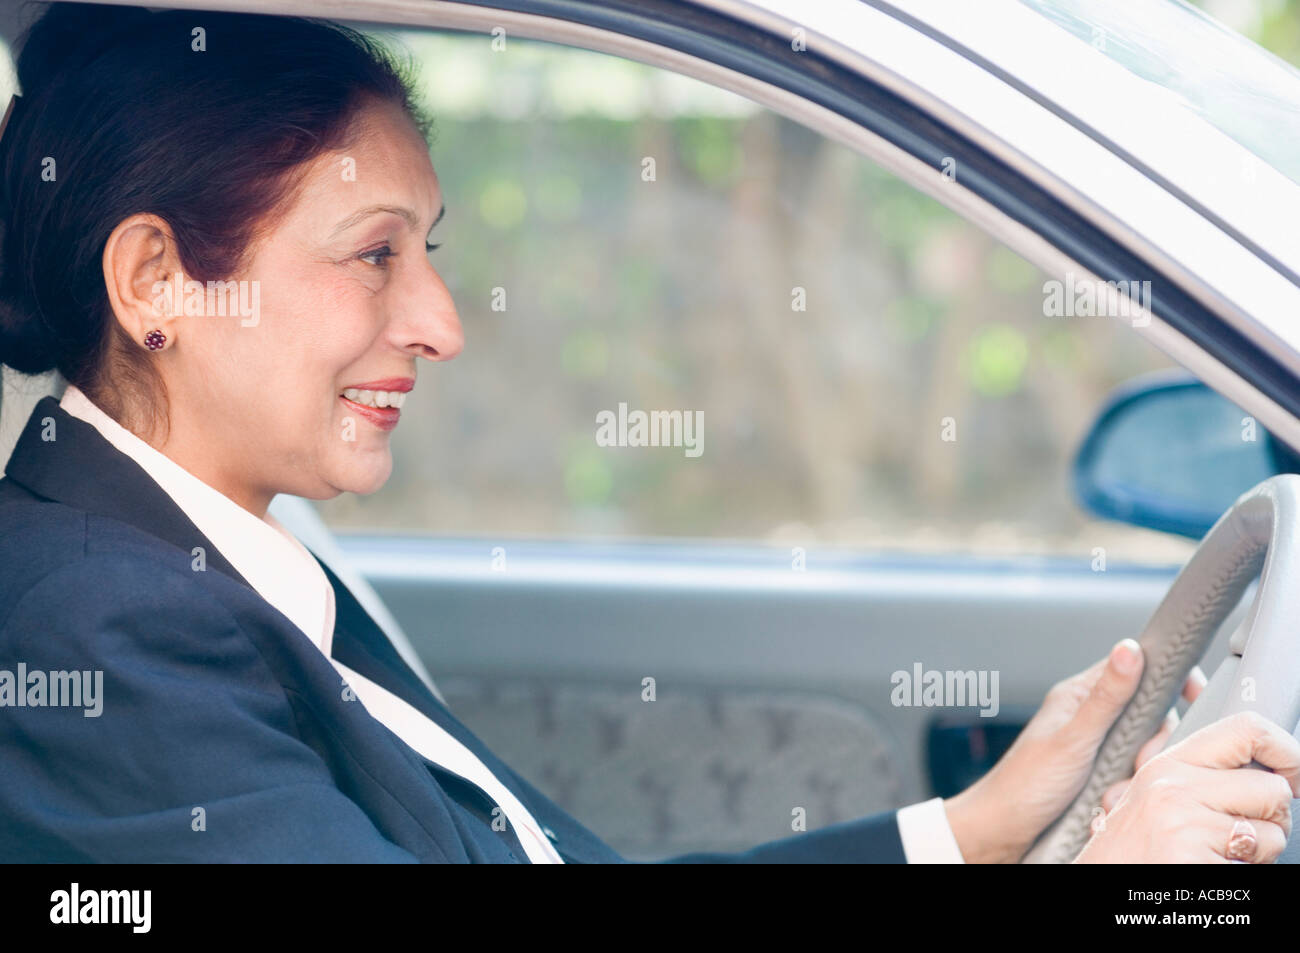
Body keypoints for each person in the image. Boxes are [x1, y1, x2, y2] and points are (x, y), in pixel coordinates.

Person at [0, 3, 1294, 864]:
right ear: (157, 283)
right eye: (374, 254)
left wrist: (973, 826)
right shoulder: (96, 637)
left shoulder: (221, 558)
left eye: (428, 253)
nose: (442, 321)